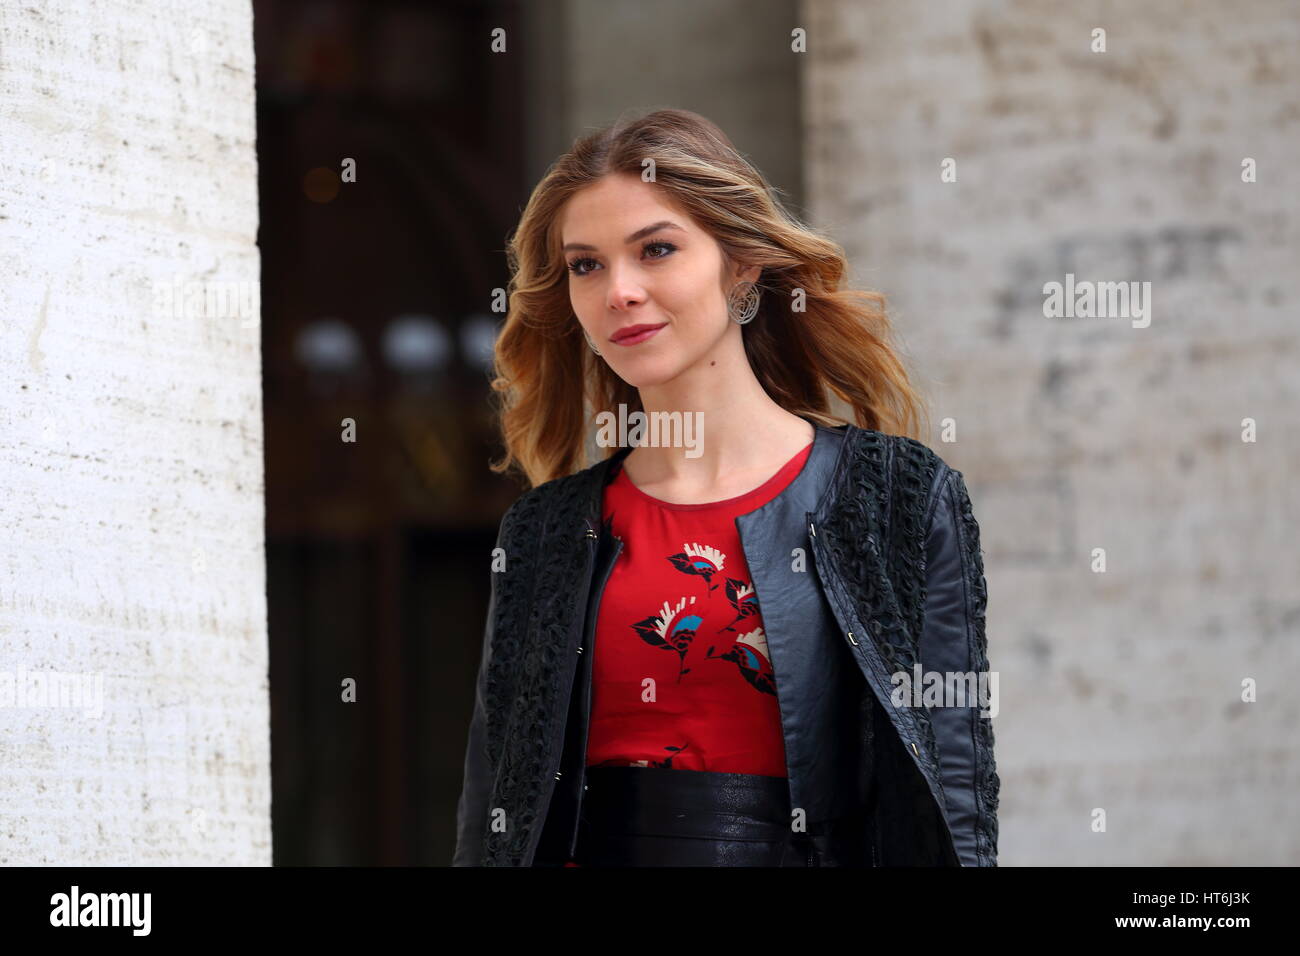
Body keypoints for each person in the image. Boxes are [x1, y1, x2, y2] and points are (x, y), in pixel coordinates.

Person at [453, 108, 999, 867]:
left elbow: (954, 805)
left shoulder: (893, 498)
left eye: (657, 250)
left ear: (741, 266)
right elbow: (493, 814)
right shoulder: (542, 530)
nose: (620, 292)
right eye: (587, 265)